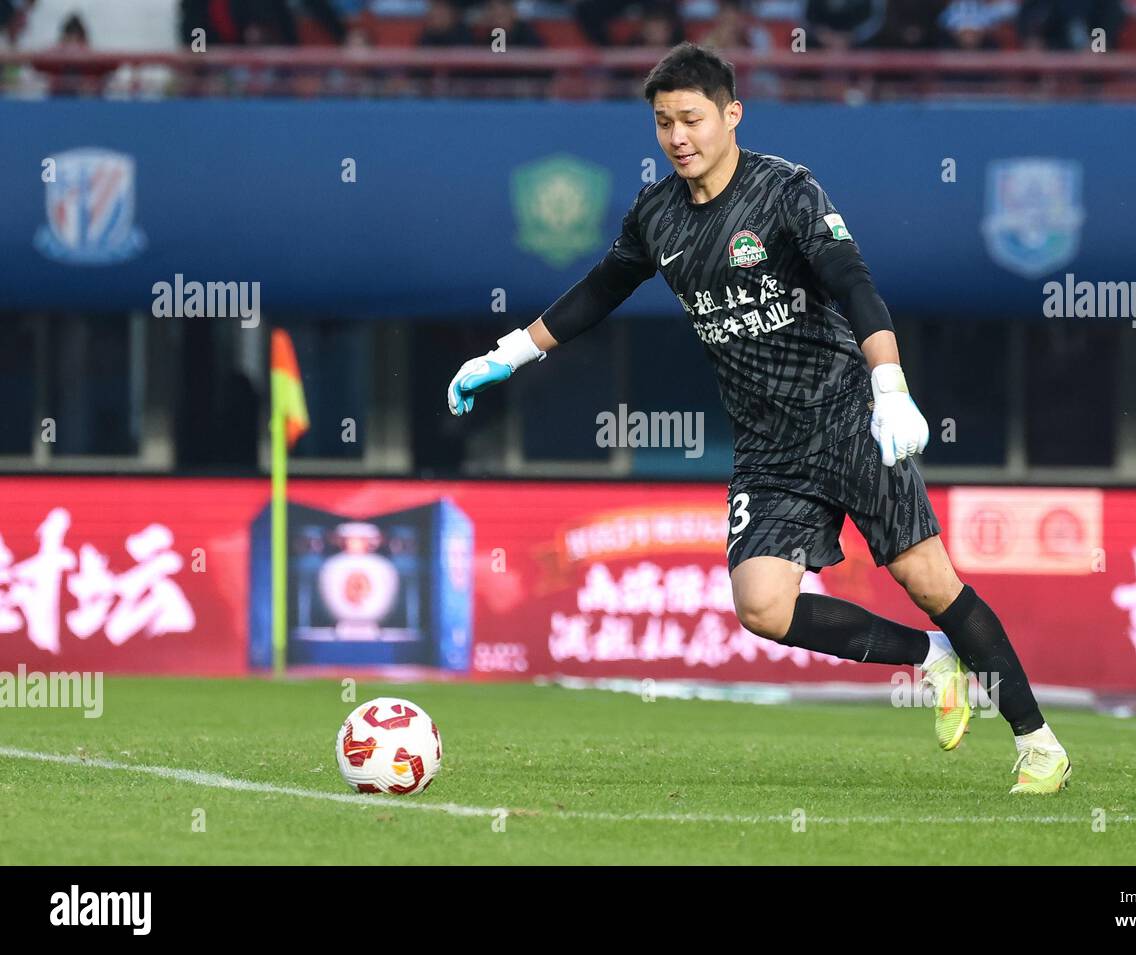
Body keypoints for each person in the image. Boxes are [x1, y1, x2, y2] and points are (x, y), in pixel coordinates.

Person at [447, 43, 1071, 794]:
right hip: (769, 444)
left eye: (692, 119)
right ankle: (932, 656)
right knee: (763, 606)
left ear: (731, 115)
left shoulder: (785, 192)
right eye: (663, 122)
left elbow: (852, 280)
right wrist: (510, 353)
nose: (678, 136)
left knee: (928, 576)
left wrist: (890, 383)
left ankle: (1038, 742)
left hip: (848, 416)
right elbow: (600, 289)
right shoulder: (657, 215)